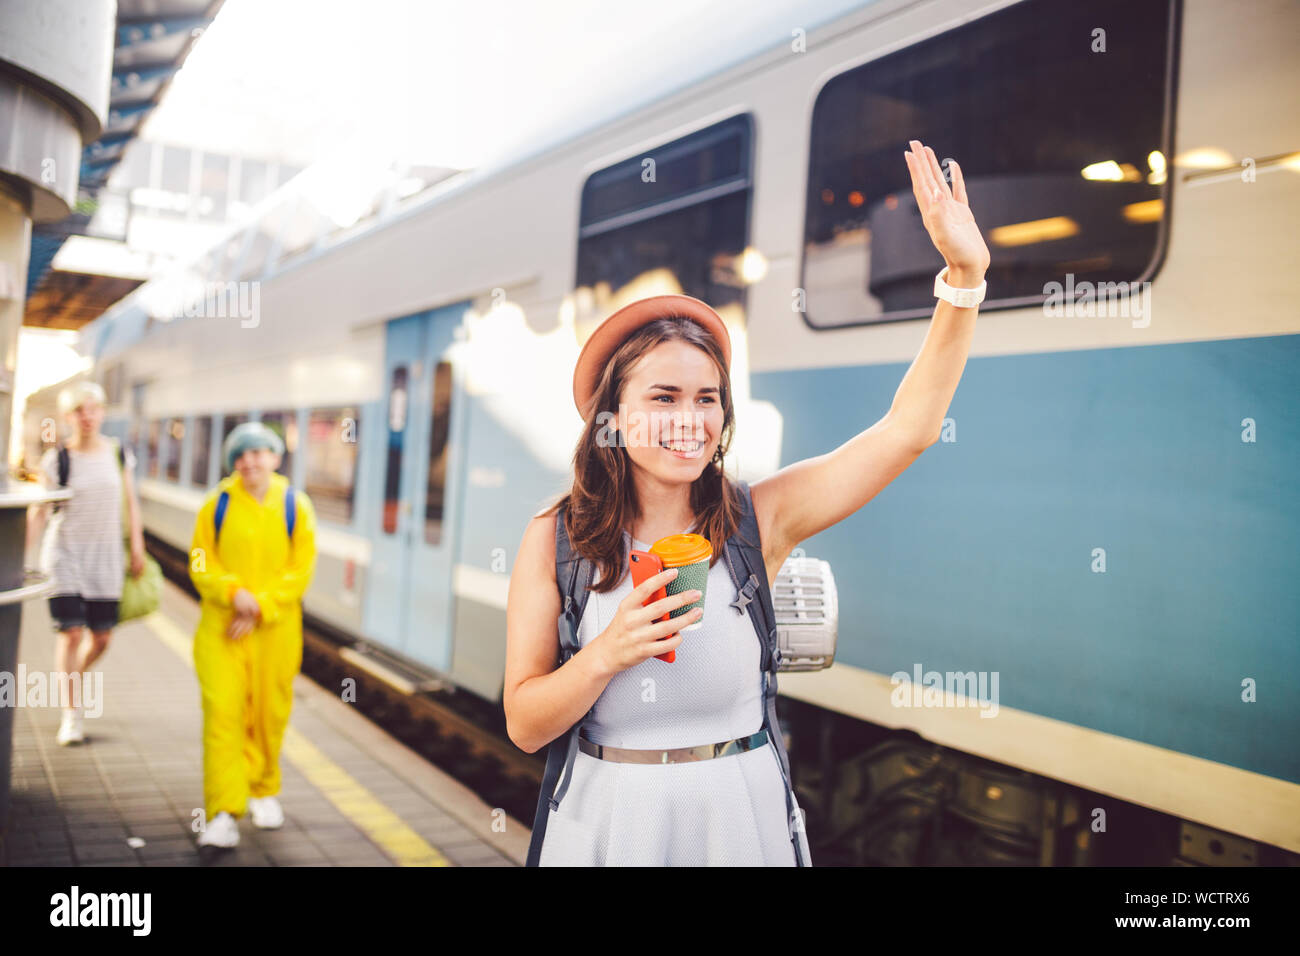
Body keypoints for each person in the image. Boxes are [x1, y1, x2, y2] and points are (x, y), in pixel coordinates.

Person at [505, 139, 991, 865]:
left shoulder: (759, 521)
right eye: (663, 396)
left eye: (706, 399)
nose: (689, 418)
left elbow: (908, 431)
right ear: (616, 414)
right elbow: (525, 722)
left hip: (739, 819)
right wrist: (607, 653)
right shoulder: (557, 538)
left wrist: (963, 277)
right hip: (609, 825)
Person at [189, 421, 316, 850]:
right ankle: (224, 811)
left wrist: (259, 605)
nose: (250, 461)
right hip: (222, 631)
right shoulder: (217, 504)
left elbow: (300, 570)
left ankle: (263, 790)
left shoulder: (296, 506)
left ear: (275, 458)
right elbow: (201, 561)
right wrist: (233, 593)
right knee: (223, 716)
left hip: (276, 634)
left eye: (259, 452)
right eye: (241, 454)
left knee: (268, 715)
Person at [27, 381, 145, 746]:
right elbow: (41, 511)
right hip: (65, 555)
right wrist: (19, 557)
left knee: (102, 638)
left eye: (93, 409)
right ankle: (71, 713)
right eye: (79, 410)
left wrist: (137, 547)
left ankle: (68, 680)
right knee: (72, 632)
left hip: (106, 559)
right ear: (67, 417)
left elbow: (131, 501)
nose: (87, 416)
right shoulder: (56, 460)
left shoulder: (118, 454)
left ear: (103, 412)